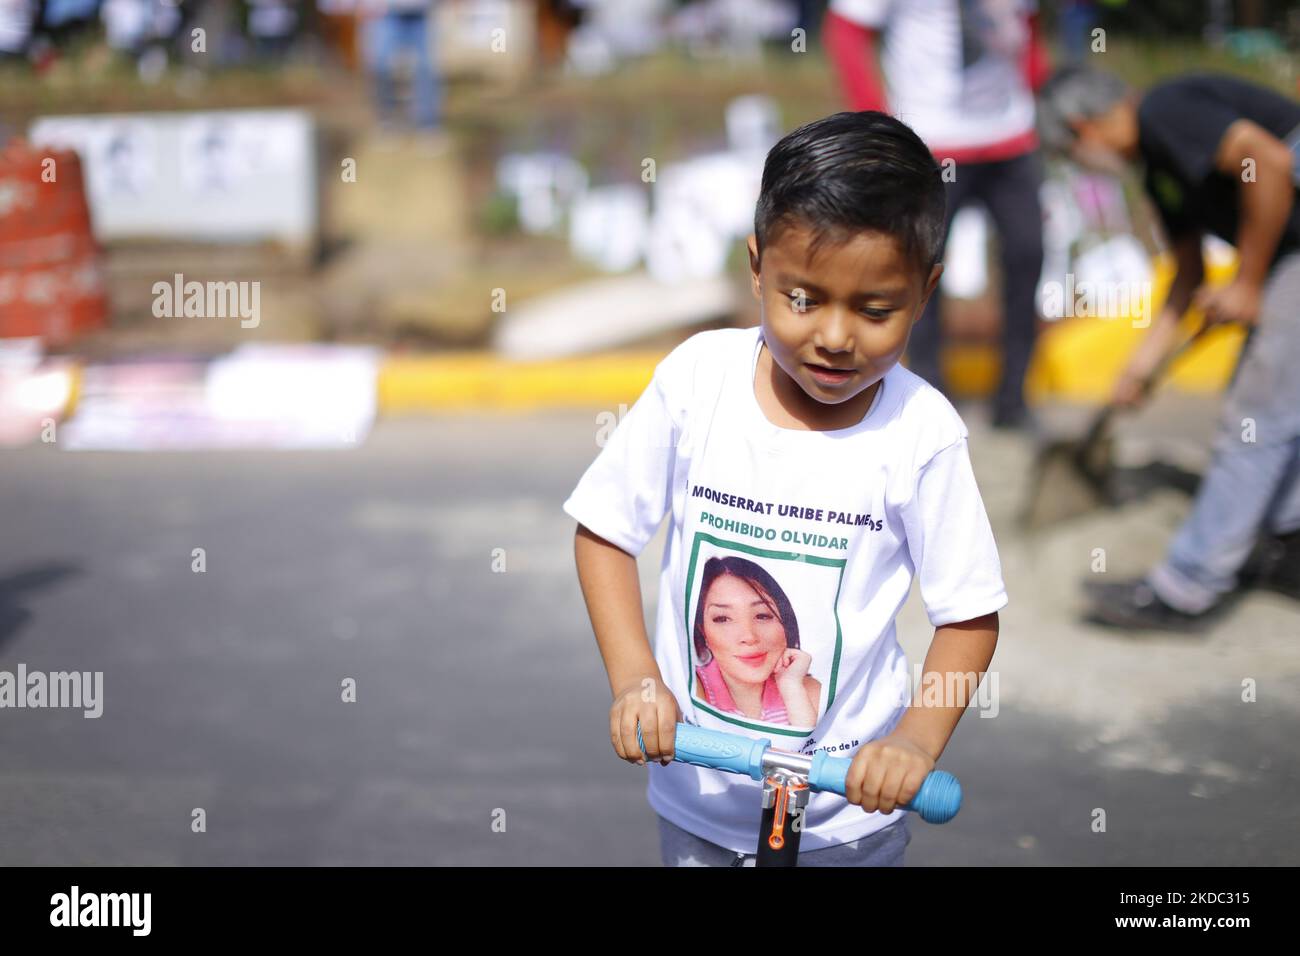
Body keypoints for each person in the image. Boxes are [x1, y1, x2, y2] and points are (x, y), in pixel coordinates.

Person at [565, 111, 1005, 866]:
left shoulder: (921, 434)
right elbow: (605, 530)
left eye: (875, 310)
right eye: (803, 298)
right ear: (758, 267)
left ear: (925, 292)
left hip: (845, 821)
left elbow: (967, 615)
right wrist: (638, 681)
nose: (835, 336)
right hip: (700, 800)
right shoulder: (697, 379)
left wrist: (912, 742)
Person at [1037, 67, 1300, 631]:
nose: (1082, 166)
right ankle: (1287, 546)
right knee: (1277, 404)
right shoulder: (1159, 170)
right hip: (1286, 253)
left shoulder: (1165, 109)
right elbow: (1187, 276)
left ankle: (1187, 588)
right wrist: (1141, 369)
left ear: (1082, 128)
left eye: (1070, 153)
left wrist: (1249, 282)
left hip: (1290, 253)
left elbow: (1271, 162)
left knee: (1256, 412)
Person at [823, 0, 1051, 429]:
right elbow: (846, 31)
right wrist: (877, 123)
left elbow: (1029, 24)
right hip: (929, 136)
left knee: (1028, 255)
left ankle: (1014, 401)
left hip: (1012, 134)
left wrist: (1040, 87)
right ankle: (928, 398)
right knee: (919, 271)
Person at [691, 555, 819, 728]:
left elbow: (814, 749)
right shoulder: (691, 687)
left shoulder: (805, 690)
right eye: (722, 619)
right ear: (702, 631)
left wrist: (791, 688)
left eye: (763, 615)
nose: (749, 637)